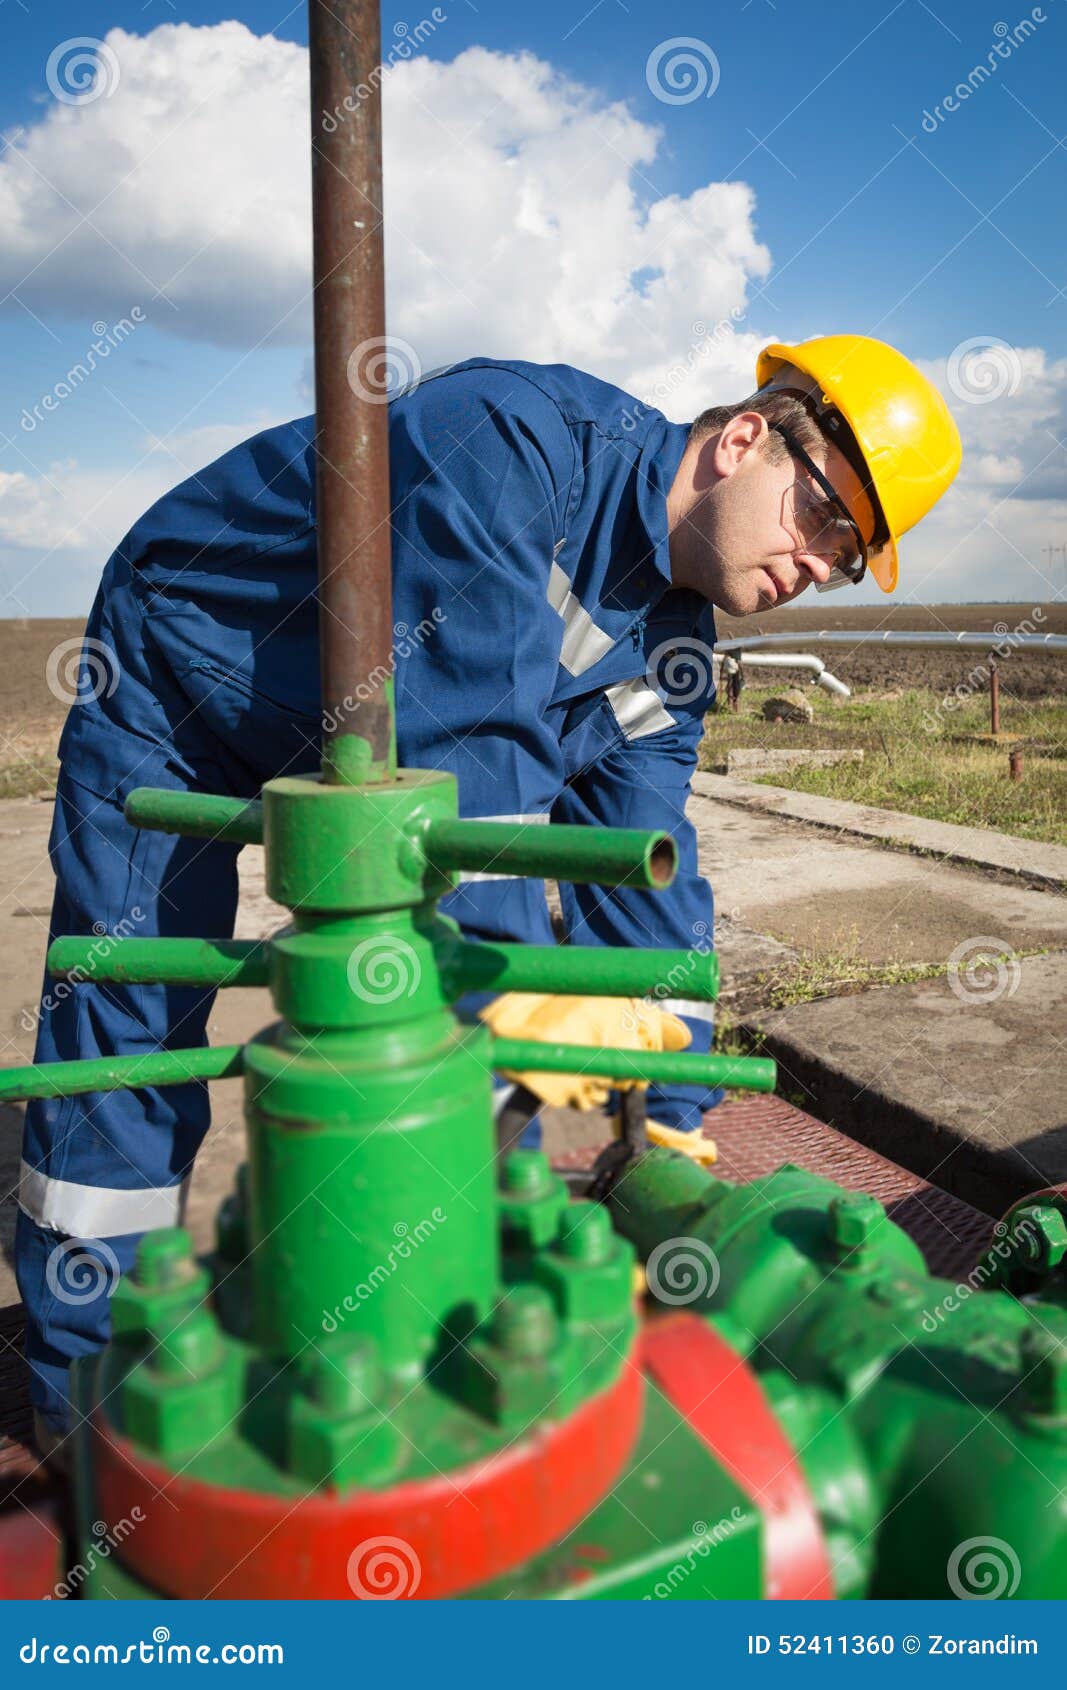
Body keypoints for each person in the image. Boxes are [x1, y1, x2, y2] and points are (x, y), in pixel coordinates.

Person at [16, 334, 962, 1451]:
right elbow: (475, 777)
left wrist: (667, 1123)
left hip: (376, 743)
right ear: (742, 440)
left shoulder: (671, 655)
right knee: (126, 1013)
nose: (814, 565)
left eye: (845, 559)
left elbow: (642, 875)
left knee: (476, 1062)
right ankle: (91, 1393)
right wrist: (515, 1039)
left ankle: (454, 1361)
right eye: (822, 517)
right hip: (186, 679)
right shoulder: (509, 442)